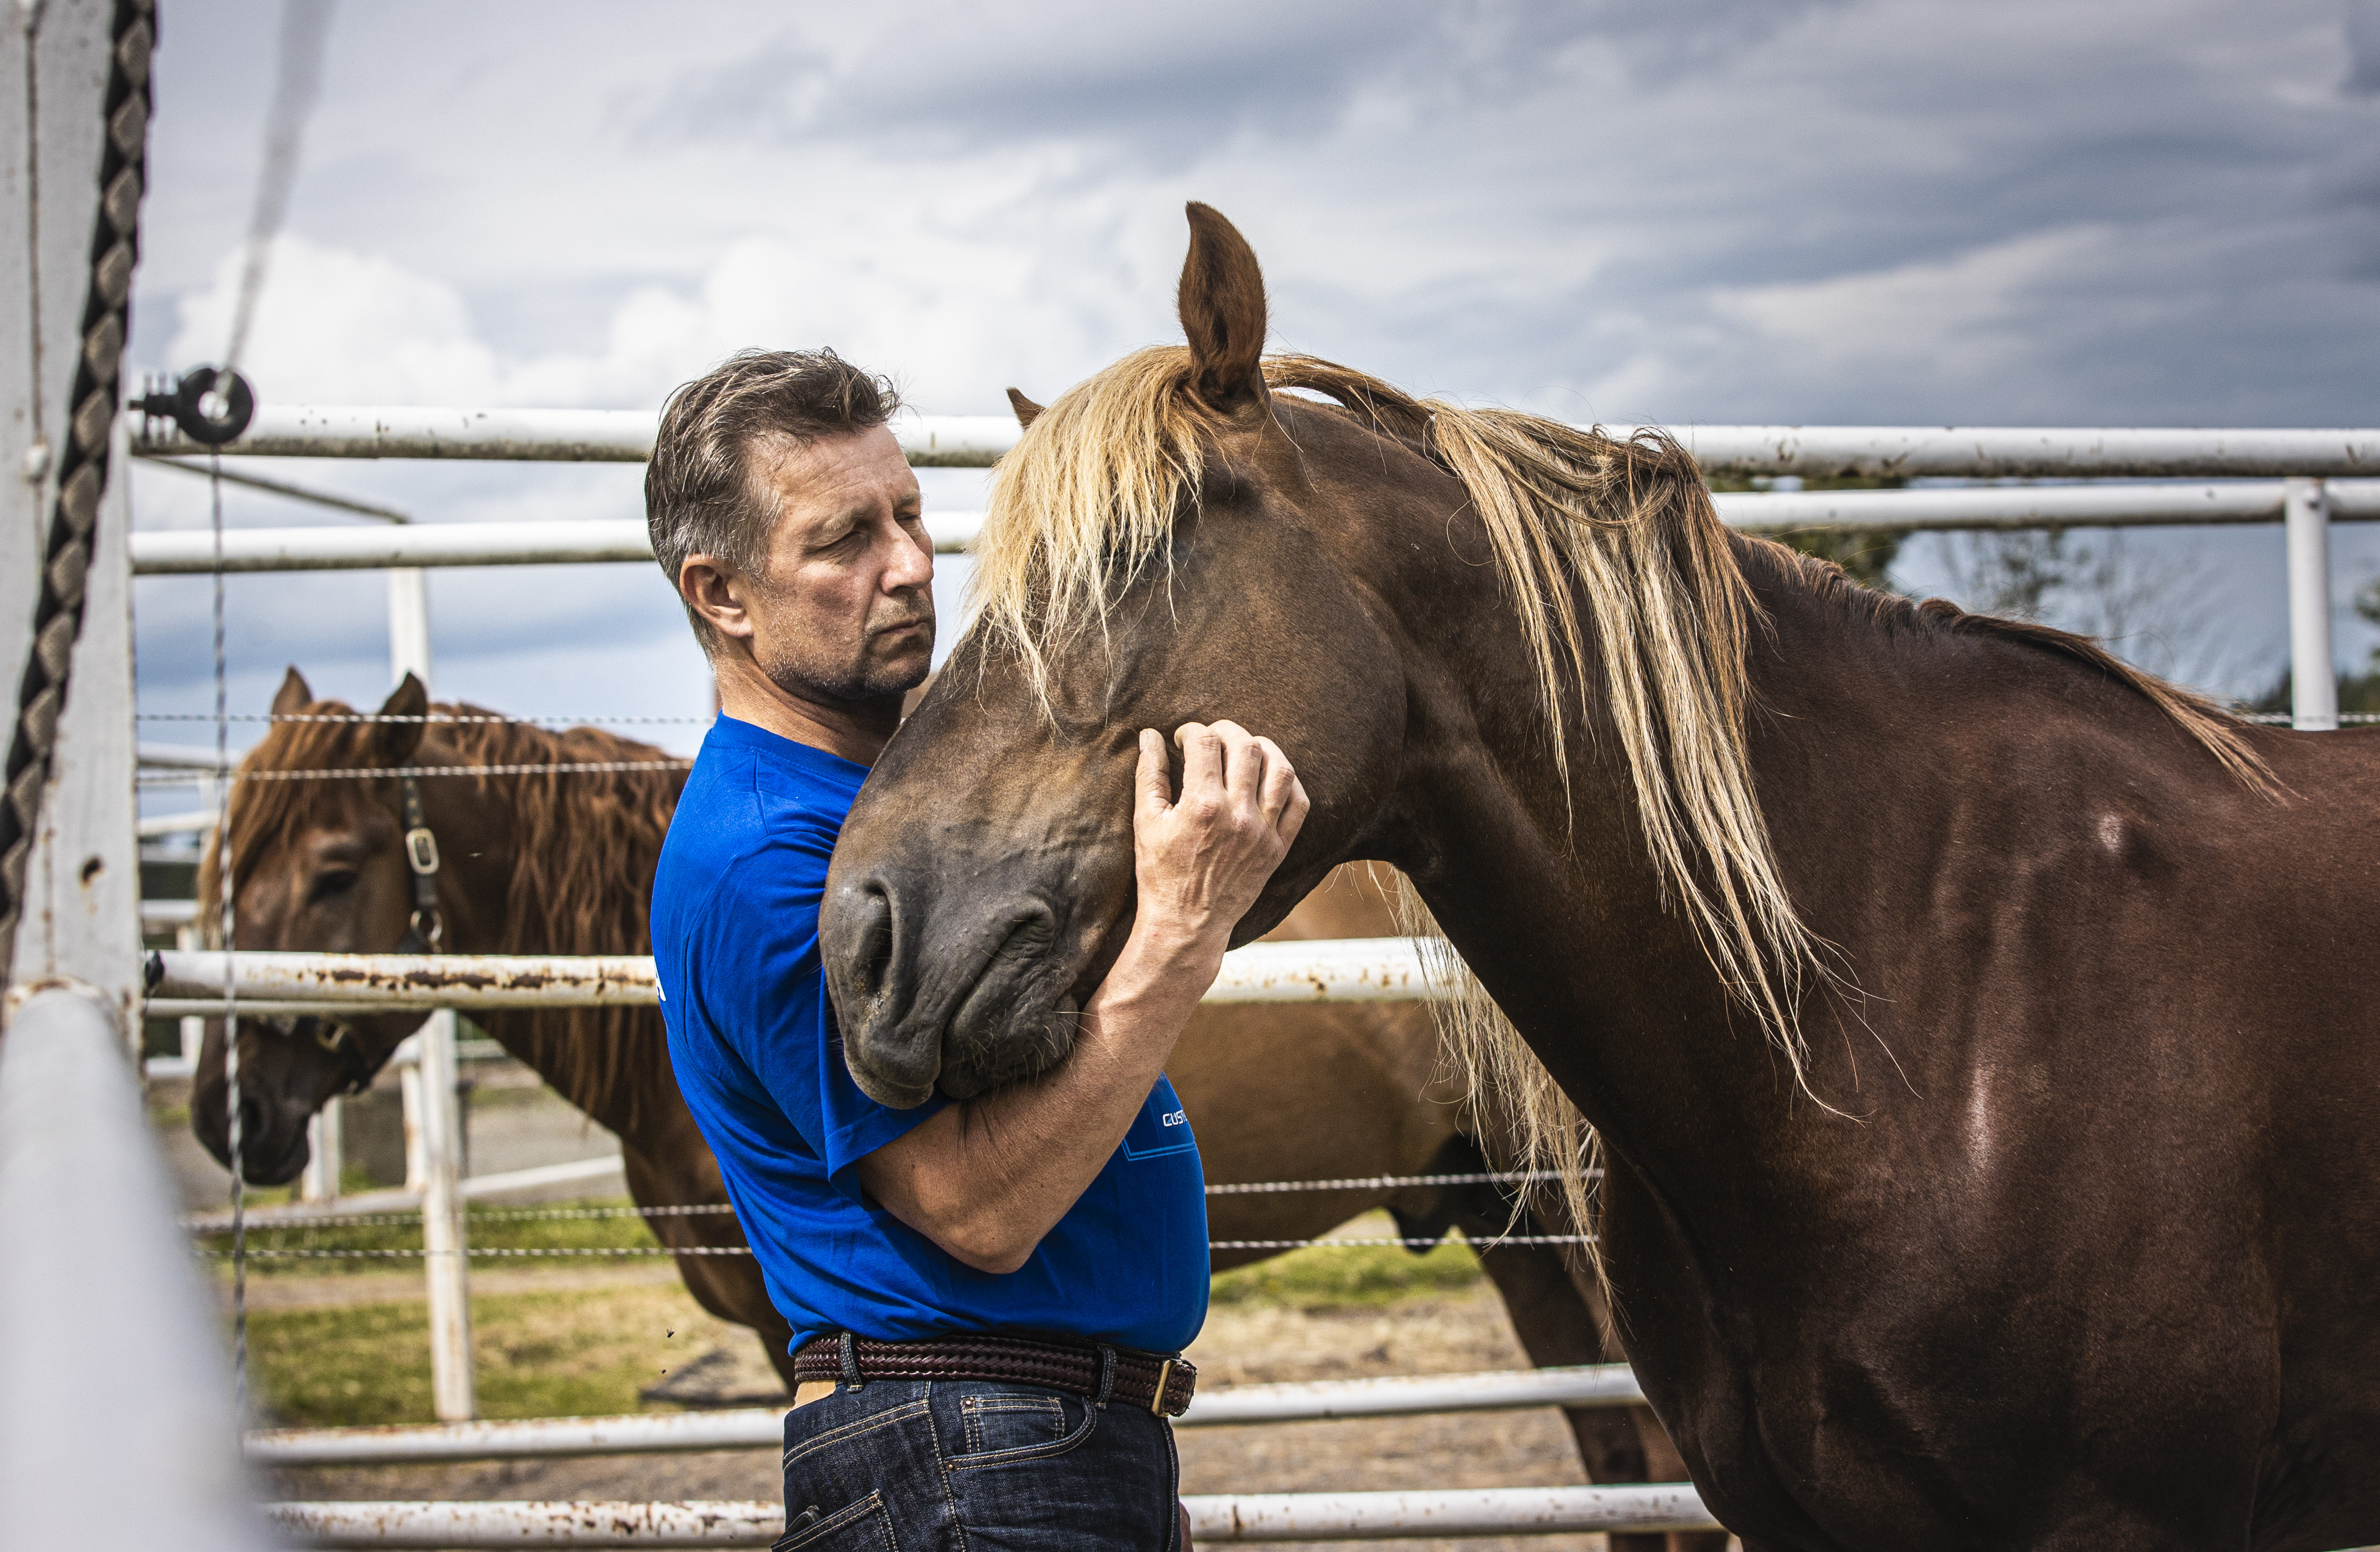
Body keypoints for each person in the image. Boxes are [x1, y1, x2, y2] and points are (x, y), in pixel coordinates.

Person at [644, 349, 1307, 1550]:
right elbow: (975, 1207)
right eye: (842, 540)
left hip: (1020, 1436)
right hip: (959, 1448)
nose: (907, 565)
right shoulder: (763, 856)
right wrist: (1180, 927)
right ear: (722, 594)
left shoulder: (900, 802)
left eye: (907, 514)